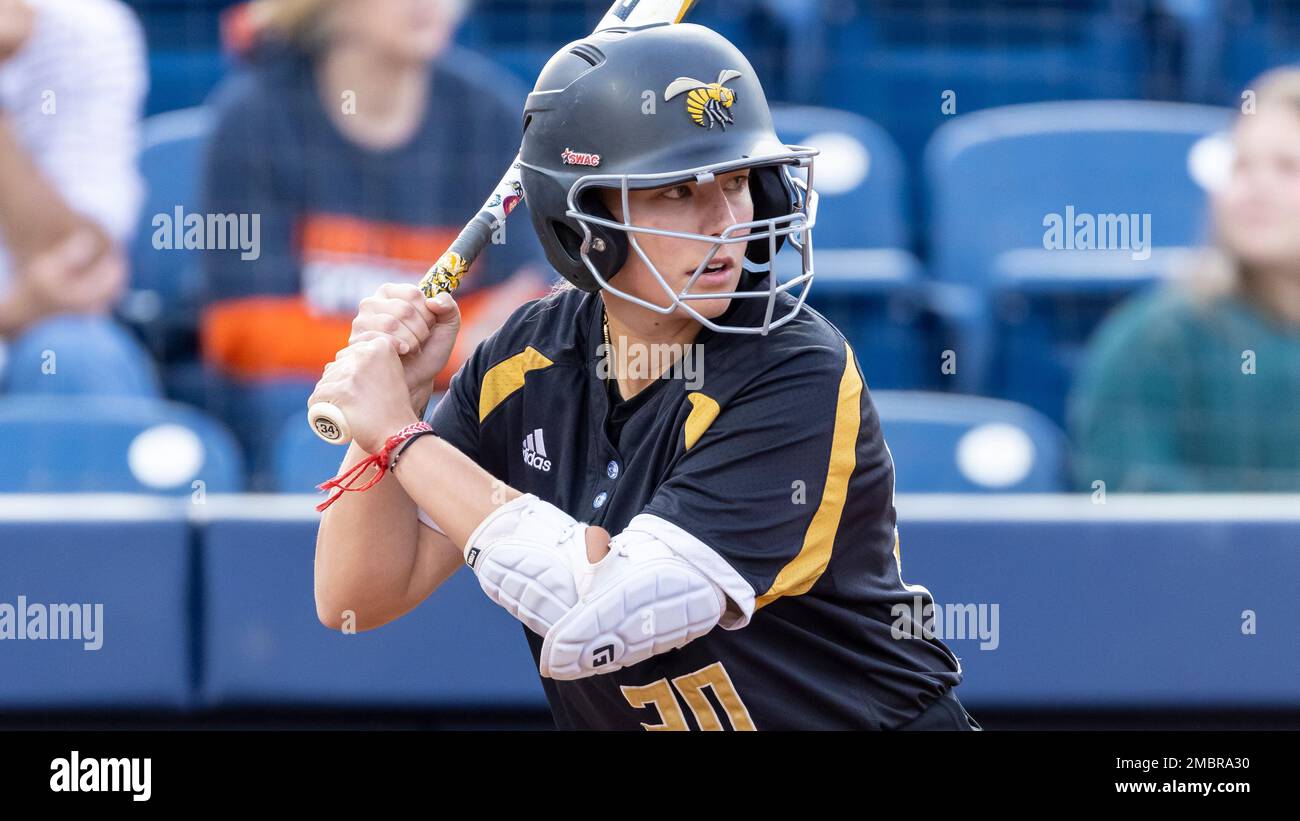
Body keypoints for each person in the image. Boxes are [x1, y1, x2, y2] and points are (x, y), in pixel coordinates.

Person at [310, 23, 974, 730]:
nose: (725, 221)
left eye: (737, 181)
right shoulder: (524, 358)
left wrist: (404, 437)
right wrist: (398, 395)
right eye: (677, 192)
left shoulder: (798, 368)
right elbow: (356, 595)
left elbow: (601, 615)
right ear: (586, 218)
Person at [199, 0, 547, 477]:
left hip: (451, 398)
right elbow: (241, 331)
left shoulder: (490, 114)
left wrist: (433, 363)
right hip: (300, 404)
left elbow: (524, 308)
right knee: (311, 416)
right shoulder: (252, 118)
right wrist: (439, 354)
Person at [1071, 67, 1300, 492]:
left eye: (1288, 168)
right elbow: (1136, 507)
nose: (1256, 188)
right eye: (1241, 166)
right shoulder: (1155, 341)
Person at [0, 0, 156, 397]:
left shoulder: (84, 30)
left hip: (26, 339)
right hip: (18, 315)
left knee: (79, 356)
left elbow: (76, 265)